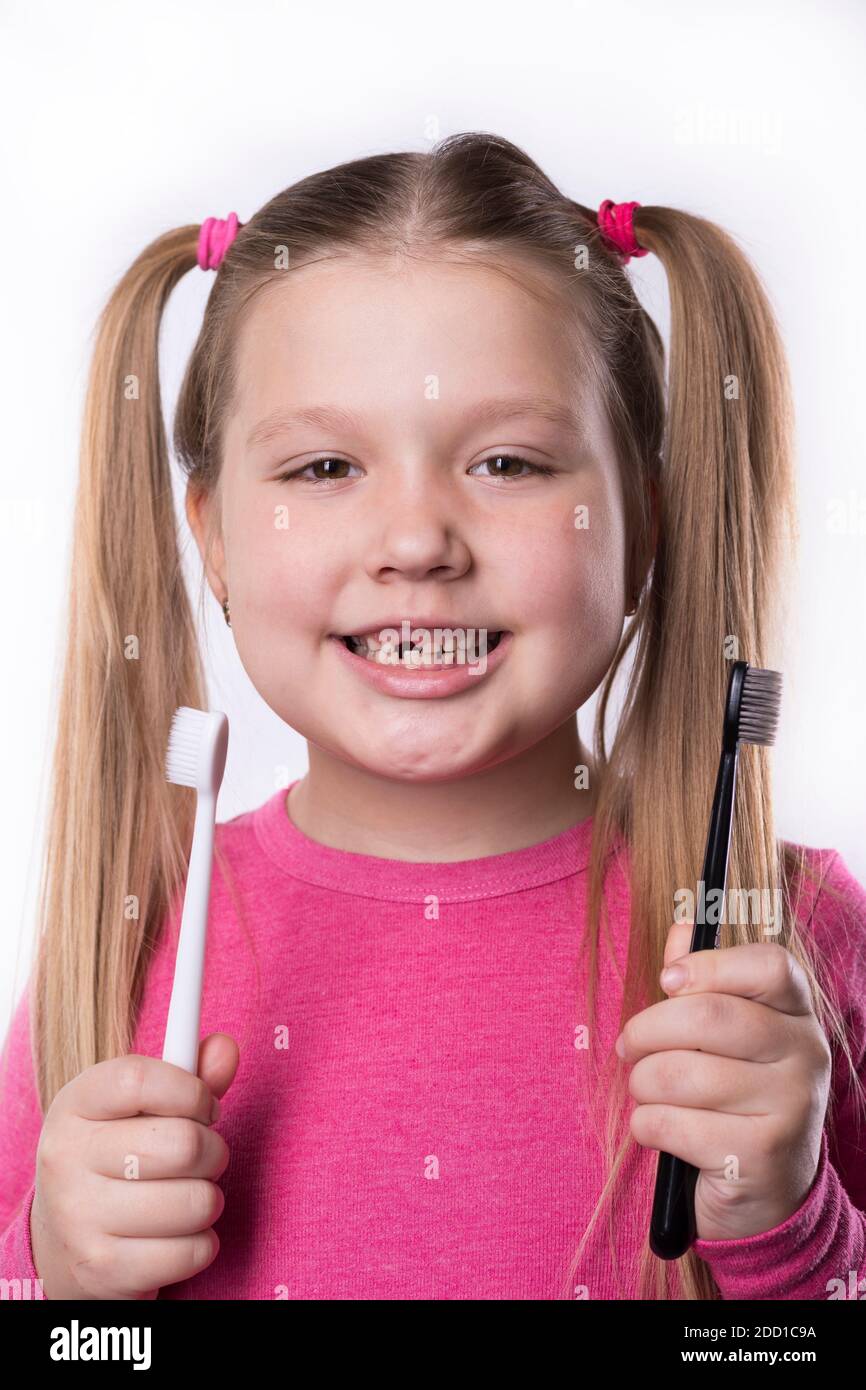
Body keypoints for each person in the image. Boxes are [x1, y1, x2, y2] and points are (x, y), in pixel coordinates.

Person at [1, 133, 864, 1301]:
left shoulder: (782, 945)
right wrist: (51, 1279)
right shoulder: (116, 950)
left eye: (508, 463)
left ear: (642, 522)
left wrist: (790, 1236)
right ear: (212, 537)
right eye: (322, 468)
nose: (414, 542)